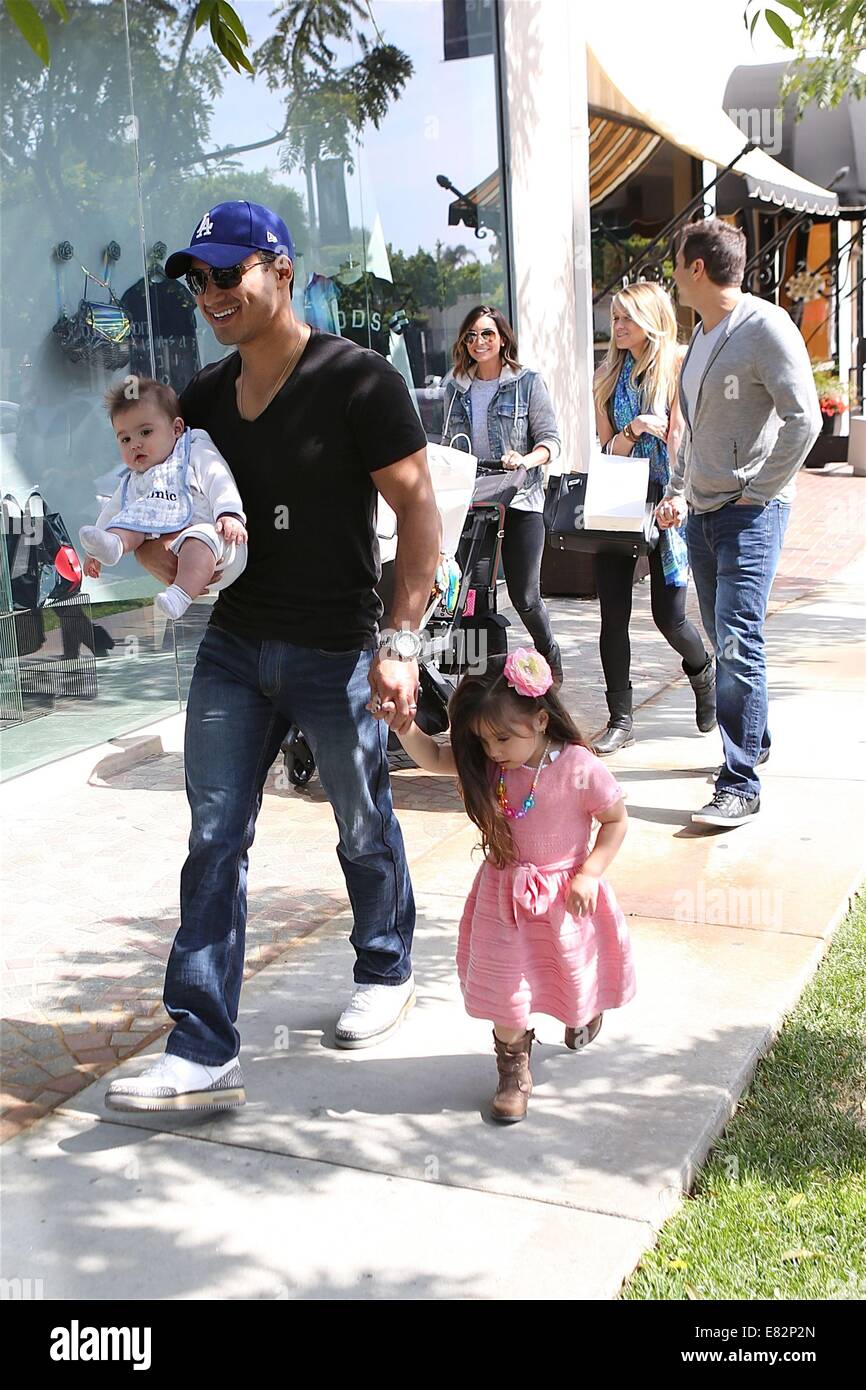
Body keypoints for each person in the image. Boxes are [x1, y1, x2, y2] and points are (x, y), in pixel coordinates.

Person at [105, 201, 440, 1114]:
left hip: (336, 645)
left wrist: (401, 641)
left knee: (363, 818)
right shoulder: (204, 401)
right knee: (214, 835)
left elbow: (418, 512)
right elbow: (168, 514)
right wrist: (146, 551)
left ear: (280, 270)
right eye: (198, 279)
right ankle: (204, 1045)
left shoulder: (358, 381)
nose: (210, 293)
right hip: (235, 646)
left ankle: (386, 964)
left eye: (227, 273)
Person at [377, 648, 633, 1123]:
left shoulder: (578, 766)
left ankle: (584, 1010)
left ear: (540, 720)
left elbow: (615, 820)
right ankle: (514, 1069)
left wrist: (591, 873)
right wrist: (403, 728)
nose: (493, 750)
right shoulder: (492, 766)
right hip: (505, 897)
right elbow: (434, 755)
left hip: (564, 898)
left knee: (566, 978)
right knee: (508, 989)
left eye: (503, 738)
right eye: (484, 740)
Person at [657, 217, 821, 828]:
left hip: (749, 514)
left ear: (697, 268)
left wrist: (759, 492)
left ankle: (740, 781)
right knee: (728, 638)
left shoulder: (765, 327)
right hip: (701, 515)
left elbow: (803, 419)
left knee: (735, 640)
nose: (673, 276)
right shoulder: (699, 336)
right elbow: (693, 428)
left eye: (677, 265)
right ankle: (755, 739)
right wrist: (678, 491)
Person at [592, 282, 715, 754]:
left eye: (626, 318)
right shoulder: (609, 372)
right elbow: (607, 448)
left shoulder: (677, 367)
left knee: (670, 616)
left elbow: (681, 438)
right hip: (621, 498)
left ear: (650, 320)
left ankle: (703, 671)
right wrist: (634, 426)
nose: (618, 327)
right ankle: (620, 720)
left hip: (667, 501)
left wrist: (677, 495)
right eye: (615, 318)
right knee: (613, 616)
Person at [441, 306, 564, 683]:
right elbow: (447, 444)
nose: (479, 342)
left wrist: (524, 459)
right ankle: (479, 680)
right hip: (474, 502)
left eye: (487, 334)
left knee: (525, 595)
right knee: (471, 594)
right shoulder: (455, 386)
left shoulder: (526, 382)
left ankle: (549, 654)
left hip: (521, 499)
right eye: (471, 336)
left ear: (503, 339)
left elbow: (551, 442)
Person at [79, 378, 248, 620]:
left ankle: (180, 594)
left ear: (176, 429)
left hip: (219, 545)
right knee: (129, 523)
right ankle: (113, 546)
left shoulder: (192, 450)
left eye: (146, 432)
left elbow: (218, 478)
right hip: (169, 544)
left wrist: (229, 514)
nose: (135, 444)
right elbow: (114, 510)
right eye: (125, 439)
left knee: (199, 538)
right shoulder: (135, 479)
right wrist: (97, 547)